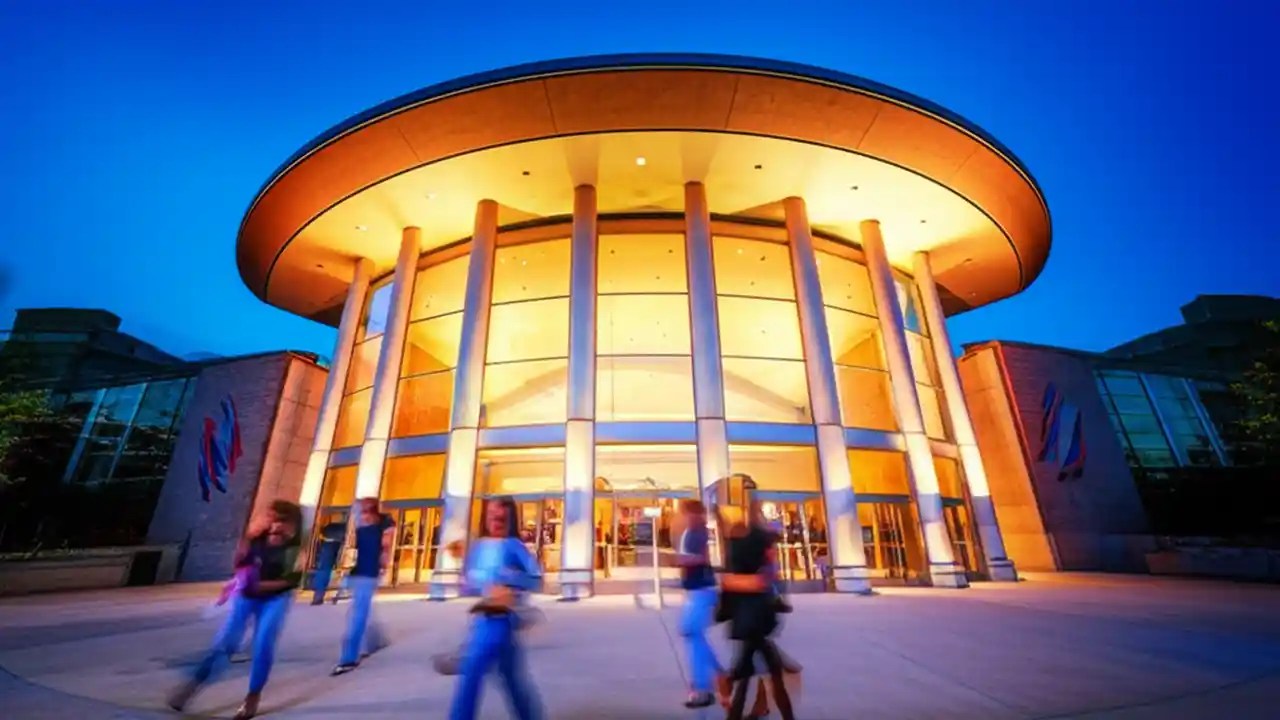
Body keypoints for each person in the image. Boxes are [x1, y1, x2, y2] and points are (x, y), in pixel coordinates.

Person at [169, 500, 303, 720]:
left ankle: (252, 696)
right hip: (247, 597)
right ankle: (193, 685)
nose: (273, 524)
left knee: (263, 644)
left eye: (279, 519)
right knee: (225, 642)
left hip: (275, 599)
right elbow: (240, 565)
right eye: (270, 517)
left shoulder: (295, 549)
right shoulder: (256, 540)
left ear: (290, 524)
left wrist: (260, 585)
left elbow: (292, 580)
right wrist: (248, 540)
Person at [446, 497, 543, 720]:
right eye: (492, 515)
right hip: (483, 616)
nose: (496, 521)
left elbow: (536, 580)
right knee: (512, 681)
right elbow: (469, 585)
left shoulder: (514, 547)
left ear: (510, 519)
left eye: (501, 517)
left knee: (472, 670)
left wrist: (508, 579)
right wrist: (466, 579)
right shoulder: (479, 547)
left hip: (503, 618)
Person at [719, 499, 797, 720]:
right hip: (753, 623)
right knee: (759, 672)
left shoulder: (741, 559)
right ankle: (731, 684)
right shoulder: (749, 566)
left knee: (752, 672)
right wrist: (760, 581)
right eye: (769, 549)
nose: (773, 553)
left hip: (751, 624)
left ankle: (737, 692)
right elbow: (742, 584)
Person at [674, 499, 728, 709]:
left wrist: (681, 561)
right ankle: (719, 675)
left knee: (691, 633)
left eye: (686, 513)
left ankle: (703, 688)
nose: (684, 517)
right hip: (696, 589)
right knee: (693, 635)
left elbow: (704, 559)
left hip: (702, 590)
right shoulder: (691, 532)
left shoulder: (701, 533)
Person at [331, 498, 394, 675]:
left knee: (357, 614)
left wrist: (383, 565)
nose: (360, 512)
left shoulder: (384, 522)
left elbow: (386, 546)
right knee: (362, 609)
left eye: (362, 509)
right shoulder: (359, 524)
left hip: (369, 572)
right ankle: (376, 640)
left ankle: (348, 657)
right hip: (359, 571)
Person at [311, 520, 345, 605]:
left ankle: (318, 595)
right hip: (346, 533)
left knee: (324, 567)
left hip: (330, 535)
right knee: (347, 565)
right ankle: (341, 592)